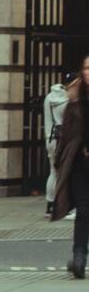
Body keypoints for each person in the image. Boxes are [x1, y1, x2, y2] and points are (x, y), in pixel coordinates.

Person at [52, 57, 89, 277]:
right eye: (86, 68)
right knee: (84, 211)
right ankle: (79, 258)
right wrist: (59, 162)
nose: (88, 72)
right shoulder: (74, 101)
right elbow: (65, 135)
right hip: (79, 164)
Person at [43, 72, 74, 215]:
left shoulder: (49, 97)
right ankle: (65, 203)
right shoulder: (69, 100)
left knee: (53, 172)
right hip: (65, 139)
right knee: (67, 172)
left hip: (51, 138)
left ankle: (50, 203)